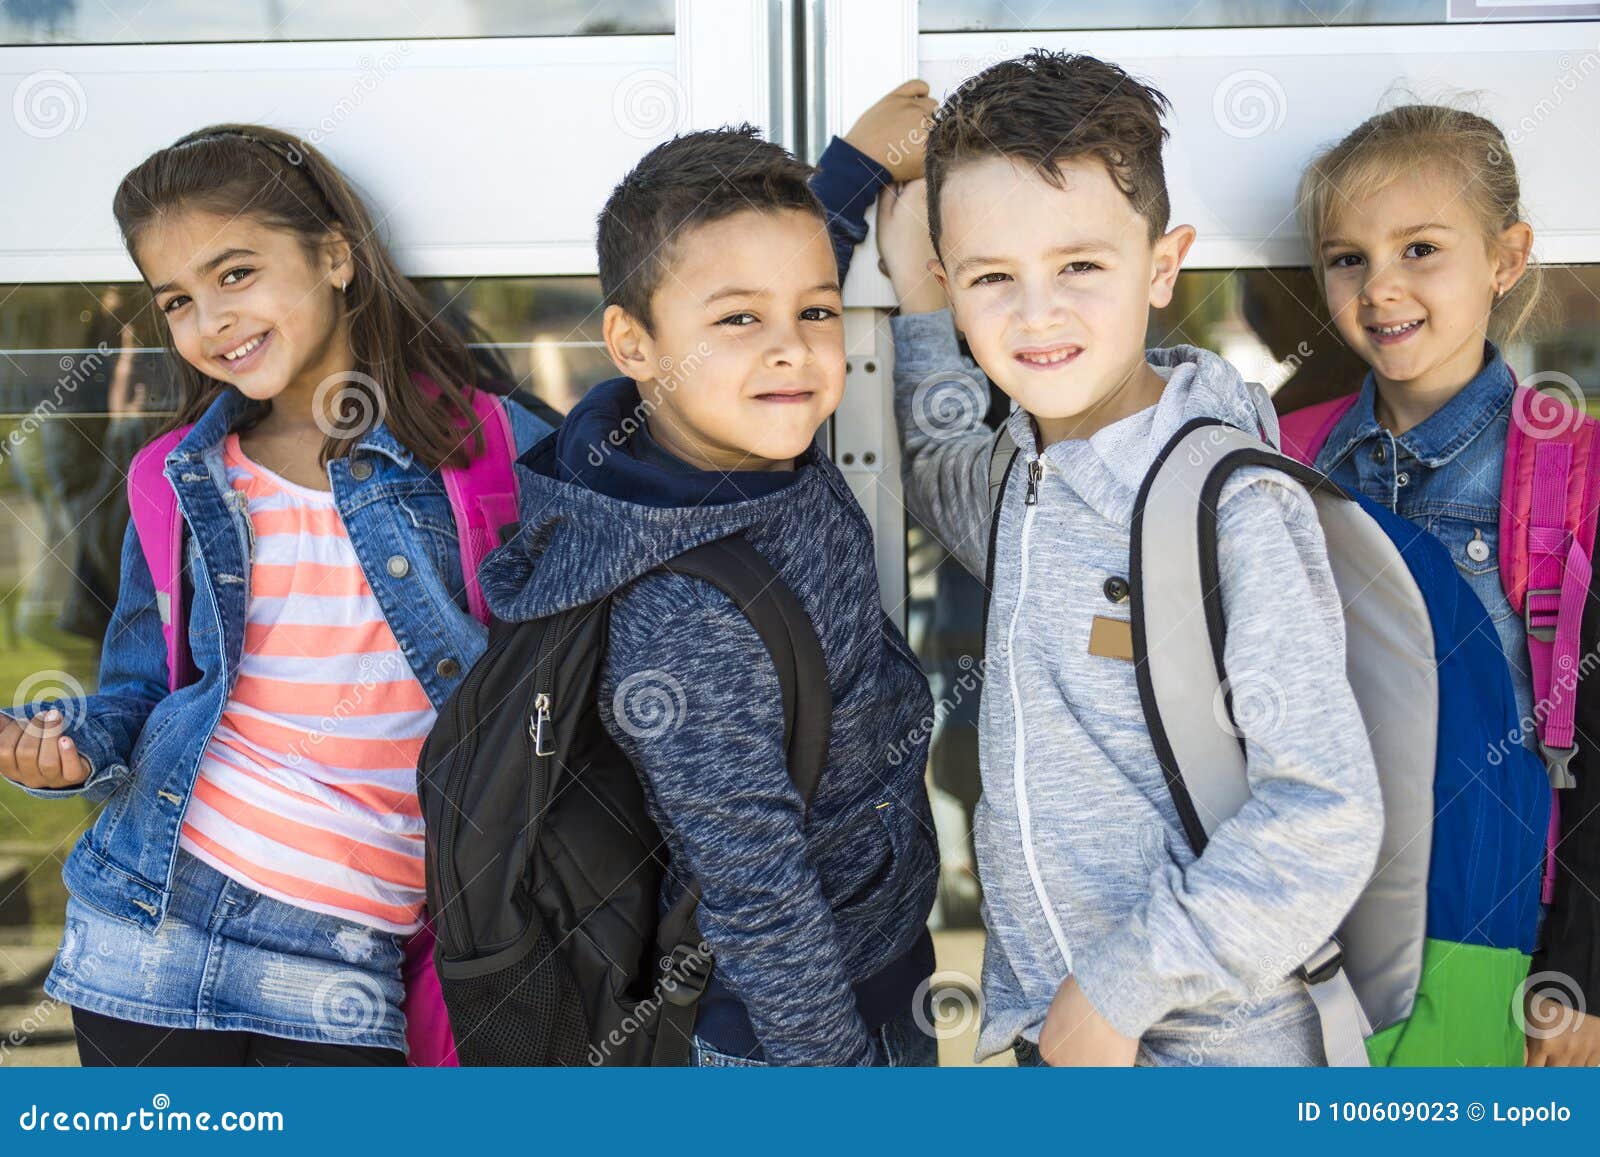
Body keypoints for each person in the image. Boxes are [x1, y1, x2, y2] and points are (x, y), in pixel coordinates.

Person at [0, 124, 554, 1066]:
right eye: (178, 299)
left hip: (350, 950)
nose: (212, 320)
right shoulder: (178, 478)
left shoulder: (488, 449)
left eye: (236, 273)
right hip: (148, 920)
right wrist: (65, 749)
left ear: (335, 256)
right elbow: (141, 693)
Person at [876, 49, 1382, 1066]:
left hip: (1215, 1054)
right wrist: (920, 313)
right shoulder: (1024, 479)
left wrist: (1118, 990)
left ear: (1161, 266)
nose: (1036, 313)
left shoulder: (1230, 507)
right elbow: (936, 465)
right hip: (1058, 1040)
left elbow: (1326, 815)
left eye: (1079, 266)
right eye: (990, 277)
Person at [478, 124, 940, 1066]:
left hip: (883, 965)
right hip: (794, 1038)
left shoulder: (731, 435)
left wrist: (855, 169)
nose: (792, 350)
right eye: (737, 321)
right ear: (634, 344)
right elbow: (757, 891)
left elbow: (771, 278)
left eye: (819, 313)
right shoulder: (683, 617)